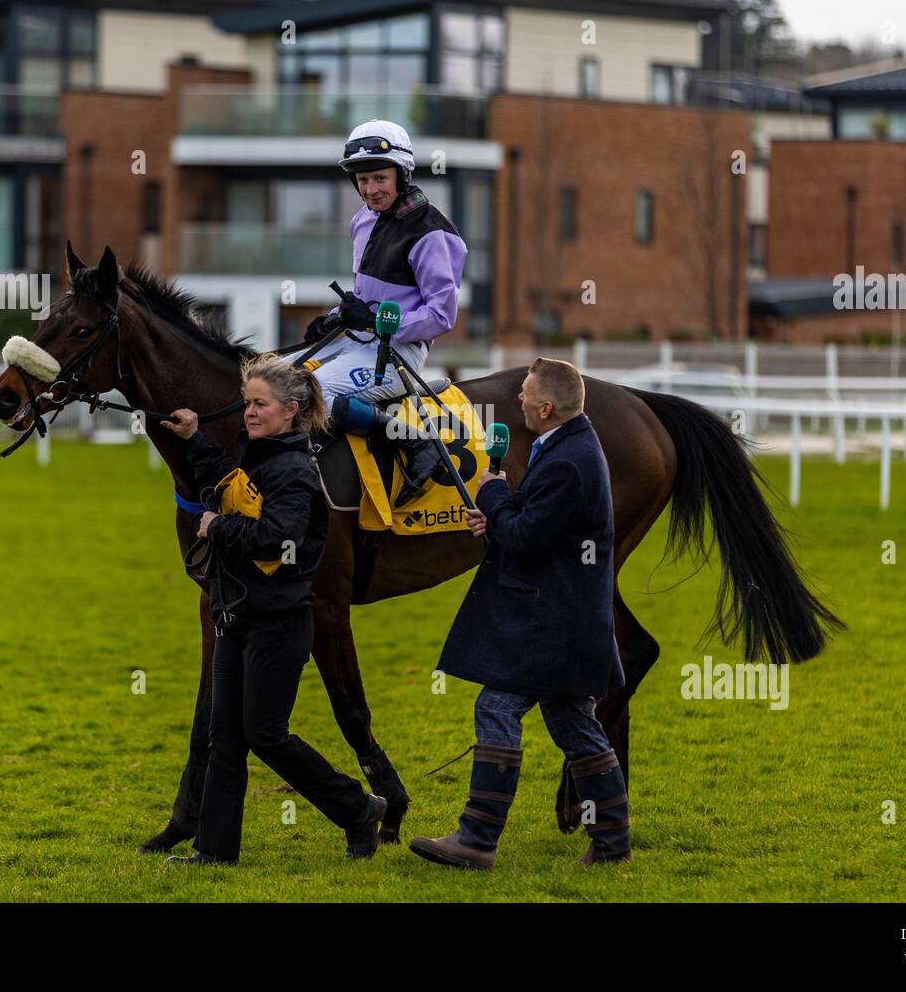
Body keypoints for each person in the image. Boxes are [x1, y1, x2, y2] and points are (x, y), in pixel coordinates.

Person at [159, 354, 387, 865]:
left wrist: (218, 528)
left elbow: (275, 539)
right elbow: (233, 484)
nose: (250, 413)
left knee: (266, 736)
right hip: (237, 617)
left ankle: (357, 808)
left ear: (291, 410)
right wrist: (195, 436)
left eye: (260, 404)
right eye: (247, 403)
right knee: (226, 738)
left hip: (278, 626)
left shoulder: (293, 471)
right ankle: (215, 852)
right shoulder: (258, 455)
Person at [409, 358, 631, 869]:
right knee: (574, 724)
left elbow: (528, 539)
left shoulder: (567, 460)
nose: (520, 401)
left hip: (550, 620)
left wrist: (493, 497)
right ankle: (613, 844)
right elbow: (533, 529)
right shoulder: (569, 447)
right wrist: (497, 517)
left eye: (527, 395)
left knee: (497, 709)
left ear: (547, 407)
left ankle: (477, 839)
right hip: (566, 616)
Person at [290, 118, 468, 507]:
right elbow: (367, 296)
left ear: (402, 174)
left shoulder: (434, 234)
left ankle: (417, 443)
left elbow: (441, 316)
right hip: (354, 341)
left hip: (399, 353)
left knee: (304, 393)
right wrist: (337, 315)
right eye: (362, 181)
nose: (370, 190)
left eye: (379, 179)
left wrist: (374, 322)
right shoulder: (363, 219)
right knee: (271, 378)